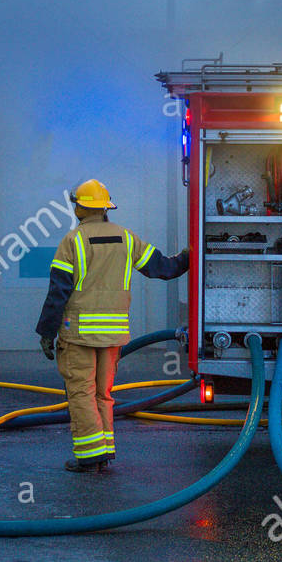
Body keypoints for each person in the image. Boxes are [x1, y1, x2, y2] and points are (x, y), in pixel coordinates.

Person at [36, 178, 189, 472]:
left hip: (79, 335)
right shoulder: (126, 237)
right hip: (113, 335)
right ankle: (104, 451)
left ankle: (90, 454)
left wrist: (46, 332)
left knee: (81, 392)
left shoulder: (73, 241)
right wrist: (189, 256)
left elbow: (58, 292)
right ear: (106, 208)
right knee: (103, 394)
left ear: (80, 209)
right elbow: (164, 269)